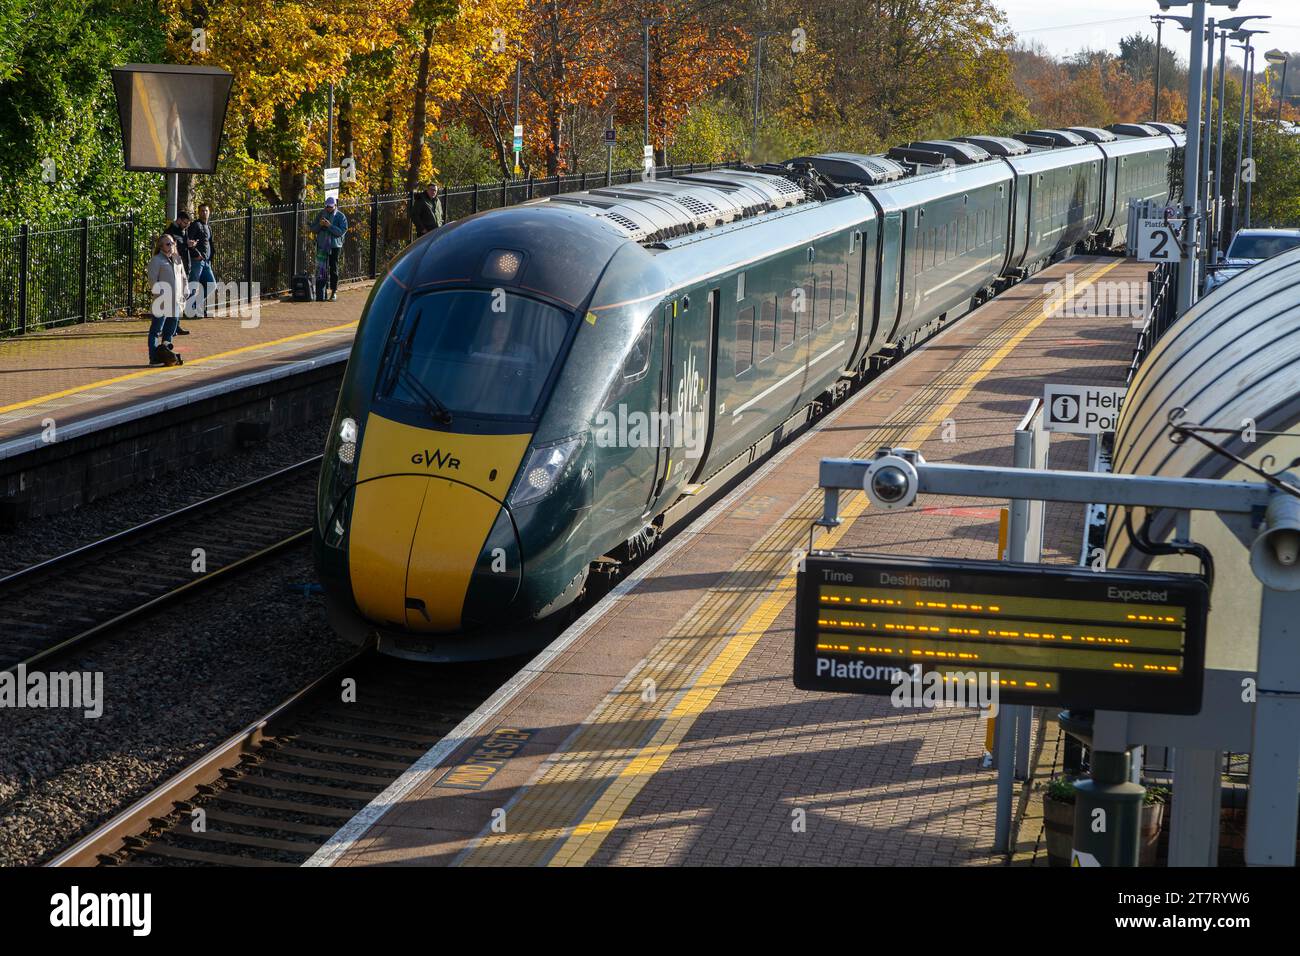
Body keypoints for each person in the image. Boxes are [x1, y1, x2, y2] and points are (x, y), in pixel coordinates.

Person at [146, 234, 187, 366]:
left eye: (172, 243)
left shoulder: (177, 260)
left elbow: (183, 277)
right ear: (161, 246)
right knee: (156, 330)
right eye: (167, 244)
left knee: (169, 331)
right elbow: (152, 281)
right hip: (162, 302)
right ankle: (153, 358)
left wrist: (184, 292)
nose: (171, 246)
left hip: (175, 302)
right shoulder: (156, 260)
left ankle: (166, 355)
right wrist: (161, 294)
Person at [311, 196, 348, 301]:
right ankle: (320, 294)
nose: (328, 208)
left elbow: (341, 232)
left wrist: (329, 226)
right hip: (322, 245)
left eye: (330, 207)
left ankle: (334, 291)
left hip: (334, 246)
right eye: (327, 206)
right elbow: (313, 228)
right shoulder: (321, 214)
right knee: (321, 268)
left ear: (335, 206)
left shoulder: (341, 216)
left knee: (333, 268)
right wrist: (320, 224)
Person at [163, 211, 193, 335]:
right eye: (185, 223)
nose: (186, 225)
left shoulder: (183, 231)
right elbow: (171, 249)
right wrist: (185, 244)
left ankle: (176, 324)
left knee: (180, 299)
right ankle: (170, 326)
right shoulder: (170, 232)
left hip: (183, 266)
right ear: (179, 220)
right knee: (172, 299)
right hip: (174, 268)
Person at [186, 203, 216, 318]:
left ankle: (195, 306)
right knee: (193, 286)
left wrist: (210, 257)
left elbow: (210, 244)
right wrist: (196, 255)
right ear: (198, 212)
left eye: (206, 211)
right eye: (202, 211)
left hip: (206, 262)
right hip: (196, 261)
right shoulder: (195, 225)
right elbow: (189, 242)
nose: (204, 213)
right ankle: (190, 310)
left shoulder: (208, 227)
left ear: (209, 212)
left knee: (211, 285)